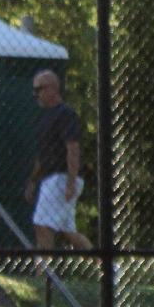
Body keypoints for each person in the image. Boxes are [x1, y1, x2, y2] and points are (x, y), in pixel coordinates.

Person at [23, 69, 93, 251]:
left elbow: (73, 148)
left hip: (61, 178)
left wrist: (70, 182)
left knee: (42, 226)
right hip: (51, 179)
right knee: (66, 233)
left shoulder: (65, 114)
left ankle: (44, 268)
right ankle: (104, 264)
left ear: (53, 88)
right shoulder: (46, 117)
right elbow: (42, 155)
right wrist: (33, 181)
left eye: (39, 89)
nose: (36, 94)